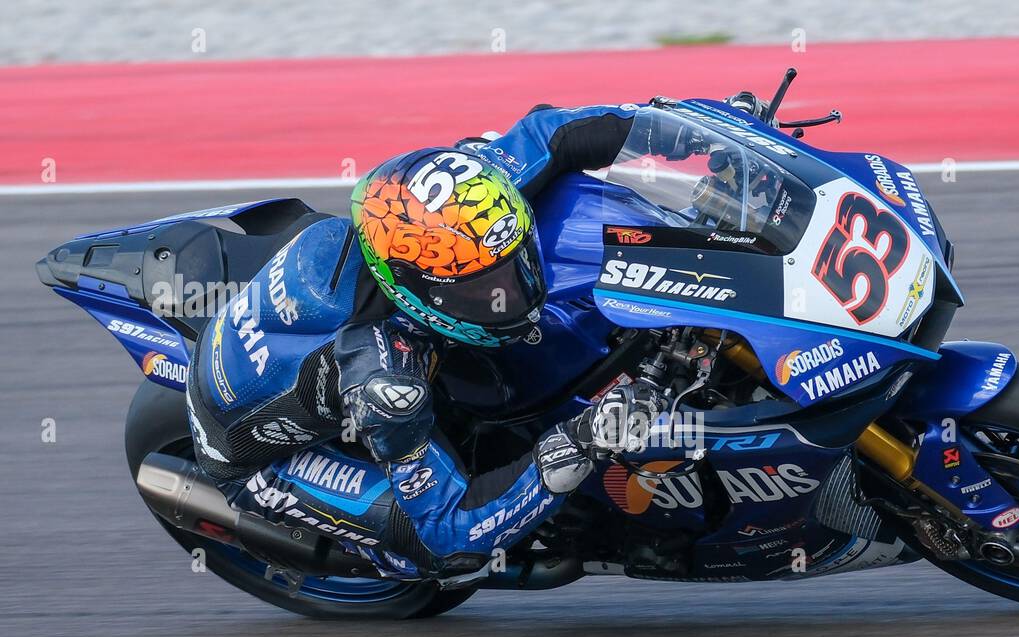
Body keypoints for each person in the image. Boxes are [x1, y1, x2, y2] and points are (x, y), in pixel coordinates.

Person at [185, 104, 663, 578]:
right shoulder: (384, 378)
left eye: (512, 268)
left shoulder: (459, 216)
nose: (509, 294)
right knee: (447, 557)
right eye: (481, 290)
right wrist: (579, 441)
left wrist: (681, 131)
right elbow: (445, 526)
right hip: (261, 454)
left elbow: (551, 131)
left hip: (303, 317)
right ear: (413, 291)